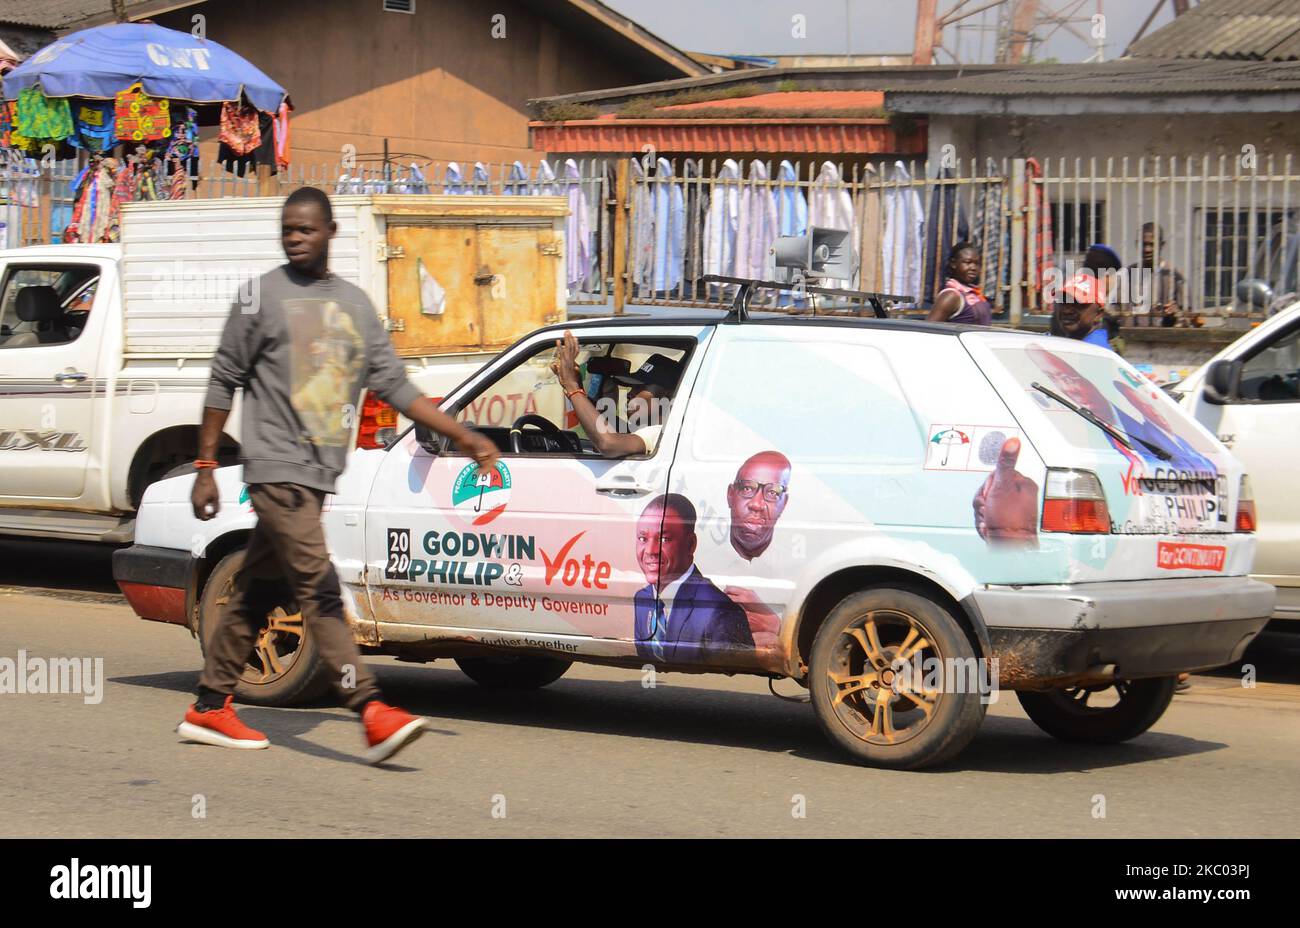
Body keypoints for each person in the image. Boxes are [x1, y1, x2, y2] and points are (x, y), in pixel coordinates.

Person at [181, 186, 499, 765]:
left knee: (258, 591)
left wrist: (462, 433)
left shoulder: (354, 307)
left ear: (330, 232)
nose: (294, 237)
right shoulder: (259, 297)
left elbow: (397, 387)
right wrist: (206, 466)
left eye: (305, 228)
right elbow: (222, 379)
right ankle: (370, 709)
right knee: (320, 588)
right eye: (287, 229)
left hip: (317, 476)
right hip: (275, 471)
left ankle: (208, 707)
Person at [633, 494, 753, 664]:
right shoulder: (642, 599)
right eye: (643, 539)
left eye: (664, 539)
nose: (651, 550)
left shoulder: (718, 611)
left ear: (690, 545)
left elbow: (729, 676)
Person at [551, 329, 681, 457]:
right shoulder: (636, 430)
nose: (630, 394)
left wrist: (573, 388)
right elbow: (601, 421)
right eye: (631, 387)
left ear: (667, 395)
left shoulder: (659, 433)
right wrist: (577, 385)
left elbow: (608, 444)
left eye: (640, 388)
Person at [719, 451, 792, 650]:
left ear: (783, 504)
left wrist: (774, 624)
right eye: (747, 488)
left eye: (772, 492)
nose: (756, 504)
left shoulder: (797, 565)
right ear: (730, 495)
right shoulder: (696, 558)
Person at [1130, 222, 1190, 328]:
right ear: (1136, 244)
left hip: (1164, 340)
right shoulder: (1127, 274)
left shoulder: (1175, 276)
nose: (1147, 249)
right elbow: (1114, 312)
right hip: (1131, 340)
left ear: (1161, 245)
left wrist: (1176, 315)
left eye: (1152, 244)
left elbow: (1188, 319)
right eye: (1143, 244)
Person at [927, 241, 994, 324]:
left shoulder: (974, 293)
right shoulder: (951, 296)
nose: (973, 268)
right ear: (953, 264)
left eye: (977, 263)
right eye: (967, 262)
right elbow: (931, 329)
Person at [1052, 271, 1113, 350]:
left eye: (1077, 303)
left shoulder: (1093, 352)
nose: (1066, 311)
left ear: (1098, 314)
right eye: (1063, 301)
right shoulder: (1075, 346)